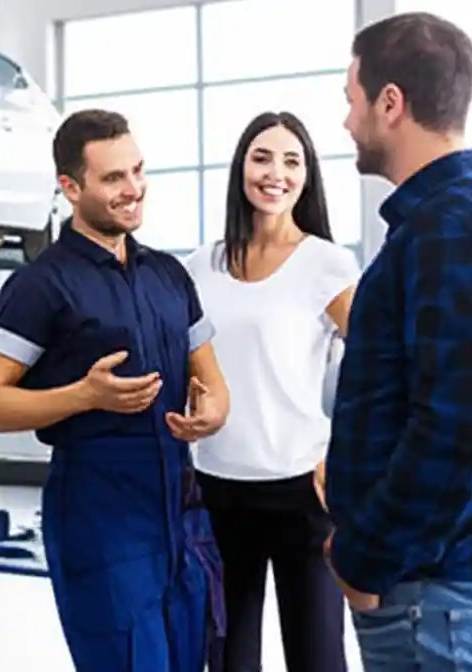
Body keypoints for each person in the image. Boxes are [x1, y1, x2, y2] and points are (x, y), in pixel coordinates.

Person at [0, 108, 231, 672]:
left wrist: (210, 412)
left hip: (182, 511)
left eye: (138, 170)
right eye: (114, 178)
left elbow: (213, 384)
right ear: (70, 187)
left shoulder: (169, 276)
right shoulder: (39, 286)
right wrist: (85, 396)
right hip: (101, 517)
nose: (133, 189)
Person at [326, 11, 472, 671]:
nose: (346, 121)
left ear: (390, 103)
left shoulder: (452, 230)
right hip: (435, 590)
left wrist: (365, 557)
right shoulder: (443, 221)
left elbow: (459, 428)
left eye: (352, 100)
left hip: (438, 595)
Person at [185, 111, 358, 672]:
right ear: (241, 168)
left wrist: (347, 451)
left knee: (317, 657)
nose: (275, 174)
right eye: (262, 158)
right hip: (217, 488)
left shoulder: (325, 264)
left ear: (307, 176)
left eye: (291, 161)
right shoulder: (201, 266)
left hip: (301, 491)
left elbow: (379, 365)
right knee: (228, 658)